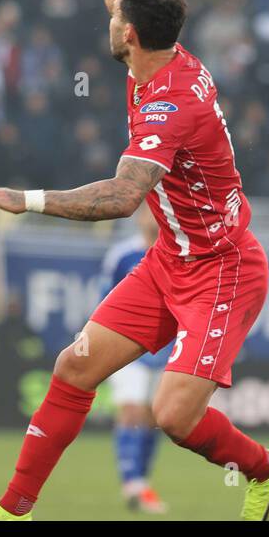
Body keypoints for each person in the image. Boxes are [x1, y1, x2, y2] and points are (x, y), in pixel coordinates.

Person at [0, 0, 269, 521]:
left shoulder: (169, 104)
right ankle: (11, 510)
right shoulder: (154, 53)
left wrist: (18, 199)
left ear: (128, 36)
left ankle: (264, 472)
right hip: (171, 262)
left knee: (171, 415)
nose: (108, 15)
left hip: (222, 271)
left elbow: (118, 198)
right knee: (75, 365)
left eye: (115, 18)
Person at [101, 205, 169, 513]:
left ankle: (141, 481)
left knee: (155, 419)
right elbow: (105, 297)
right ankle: (130, 482)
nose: (152, 219)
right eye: (148, 214)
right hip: (126, 344)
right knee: (130, 411)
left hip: (165, 348)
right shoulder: (122, 255)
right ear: (141, 217)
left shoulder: (179, 254)